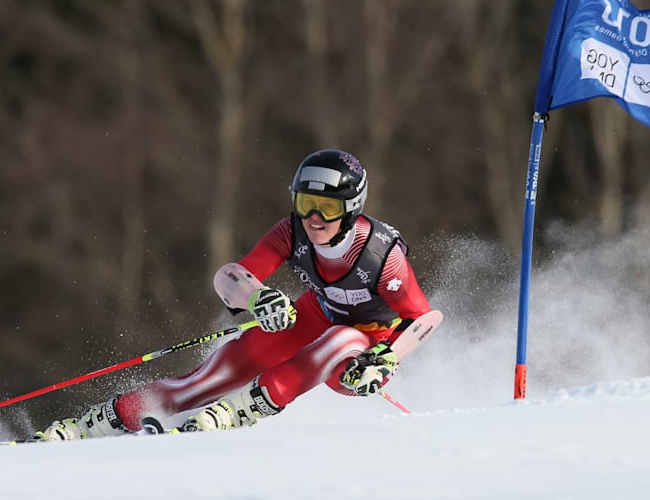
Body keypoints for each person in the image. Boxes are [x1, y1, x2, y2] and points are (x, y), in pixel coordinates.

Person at [32, 148, 435, 440]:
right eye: (306, 203)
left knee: (343, 337)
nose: (314, 218)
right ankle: (100, 423)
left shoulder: (380, 255)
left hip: (364, 353)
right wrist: (258, 298)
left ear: (350, 208)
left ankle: (238, 411)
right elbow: (232, 275)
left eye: (326, 208)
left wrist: (386, 360)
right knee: (220, 370)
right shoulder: (291, 232)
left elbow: (426, 318)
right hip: (316, 315)